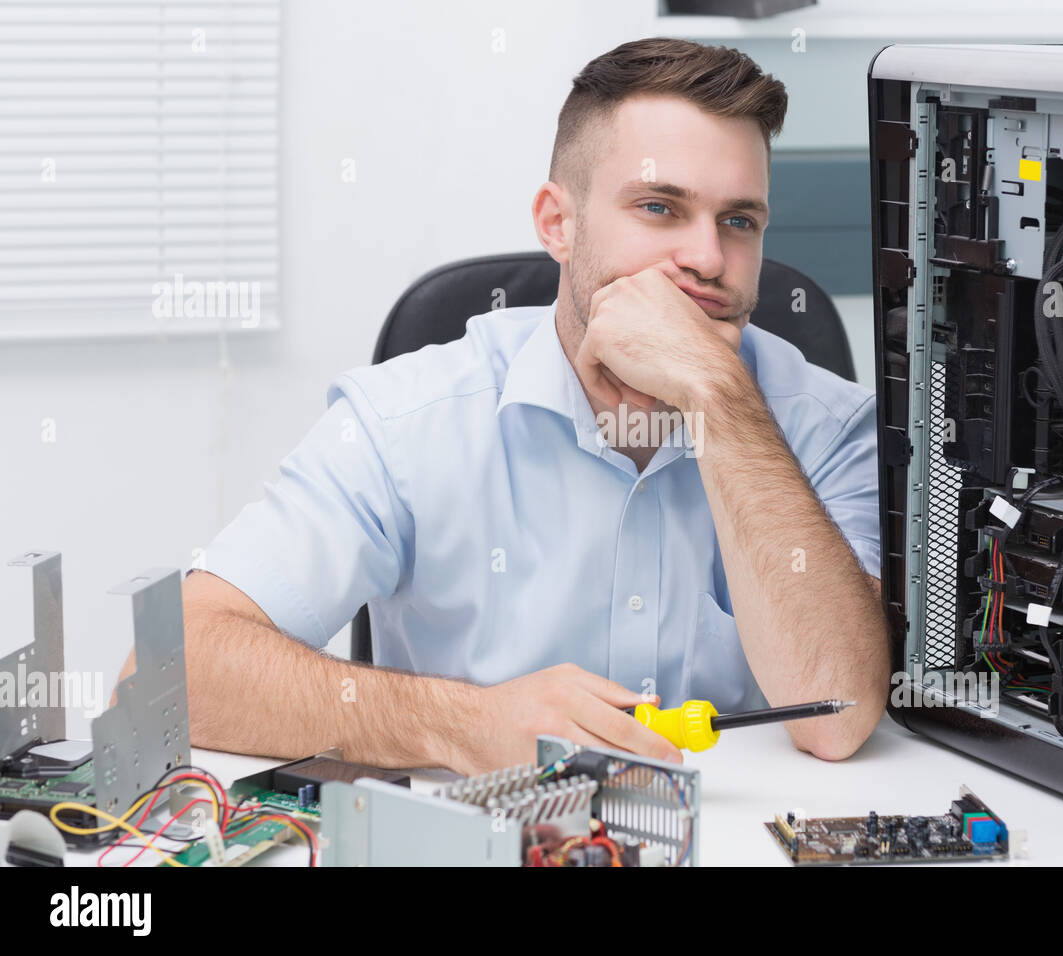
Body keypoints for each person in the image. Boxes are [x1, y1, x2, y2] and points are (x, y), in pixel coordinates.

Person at [118, 38, 889, 776]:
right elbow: (169, 673)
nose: (708, 258)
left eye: (738, 221)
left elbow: (837, 715)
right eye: (659, 207)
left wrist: (718, 396)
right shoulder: (404, 422)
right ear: (559, 223)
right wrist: (465, 723)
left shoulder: (830, 425)